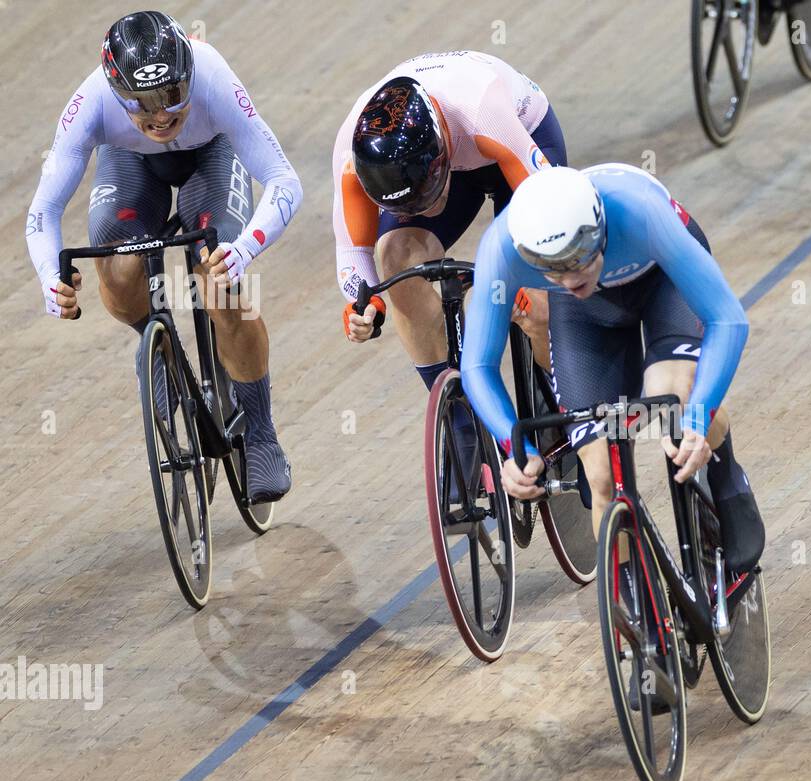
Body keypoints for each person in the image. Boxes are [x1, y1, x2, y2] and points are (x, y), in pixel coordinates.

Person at [26, 10, 300, 502]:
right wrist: (50, 277)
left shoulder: (213, 76)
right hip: (132, 167)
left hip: (210, 157)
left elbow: (285, 181)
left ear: (189, 73)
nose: (161, 115)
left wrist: (243, 249)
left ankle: (260, 435)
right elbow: (43, 211)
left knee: (220, 284)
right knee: (116, 261)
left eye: (173, 95)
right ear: (114, 91)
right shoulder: (89, 103)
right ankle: (154, 345)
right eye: (142, 103)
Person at [460, 164, 764, 573]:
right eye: (551, 268)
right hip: (587, 316)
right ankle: (631, 612)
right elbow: (478, 365)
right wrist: (515, 449)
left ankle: (726, 478)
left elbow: (728, 320)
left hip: (662, 282)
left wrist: (699, 413)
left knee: (674, 401)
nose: (567, 279)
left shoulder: (639, 211)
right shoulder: (502, 248)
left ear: (599, 229)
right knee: (601, 474)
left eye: (575, 260)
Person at [332, 51, 566, 396]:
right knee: (396, 257)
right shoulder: (353, 154)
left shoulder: (482, 113)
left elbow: (552, 209)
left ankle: (572, 405)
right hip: (443, 163)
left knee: (539, 301)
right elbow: (352, 251)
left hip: (518, 140)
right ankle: (458, 416)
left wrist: (528, 274)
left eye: (422, 200)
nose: (421, 213)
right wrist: (365, 303)